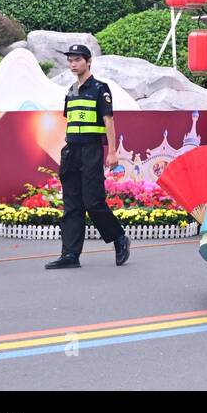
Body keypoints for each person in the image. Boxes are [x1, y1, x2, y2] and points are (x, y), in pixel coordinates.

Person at [45, 45, 131, 269]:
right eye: (70, 60)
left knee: (93, 202)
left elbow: (108, 121)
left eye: (77, 60)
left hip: (91, 150)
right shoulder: (71, 90)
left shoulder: (100, 89)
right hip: (71, 151)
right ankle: (70, 255)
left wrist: (112, 151)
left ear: (88, 61)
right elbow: (71, 121)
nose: (73, 64)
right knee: (71, 204)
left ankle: (119, 238)